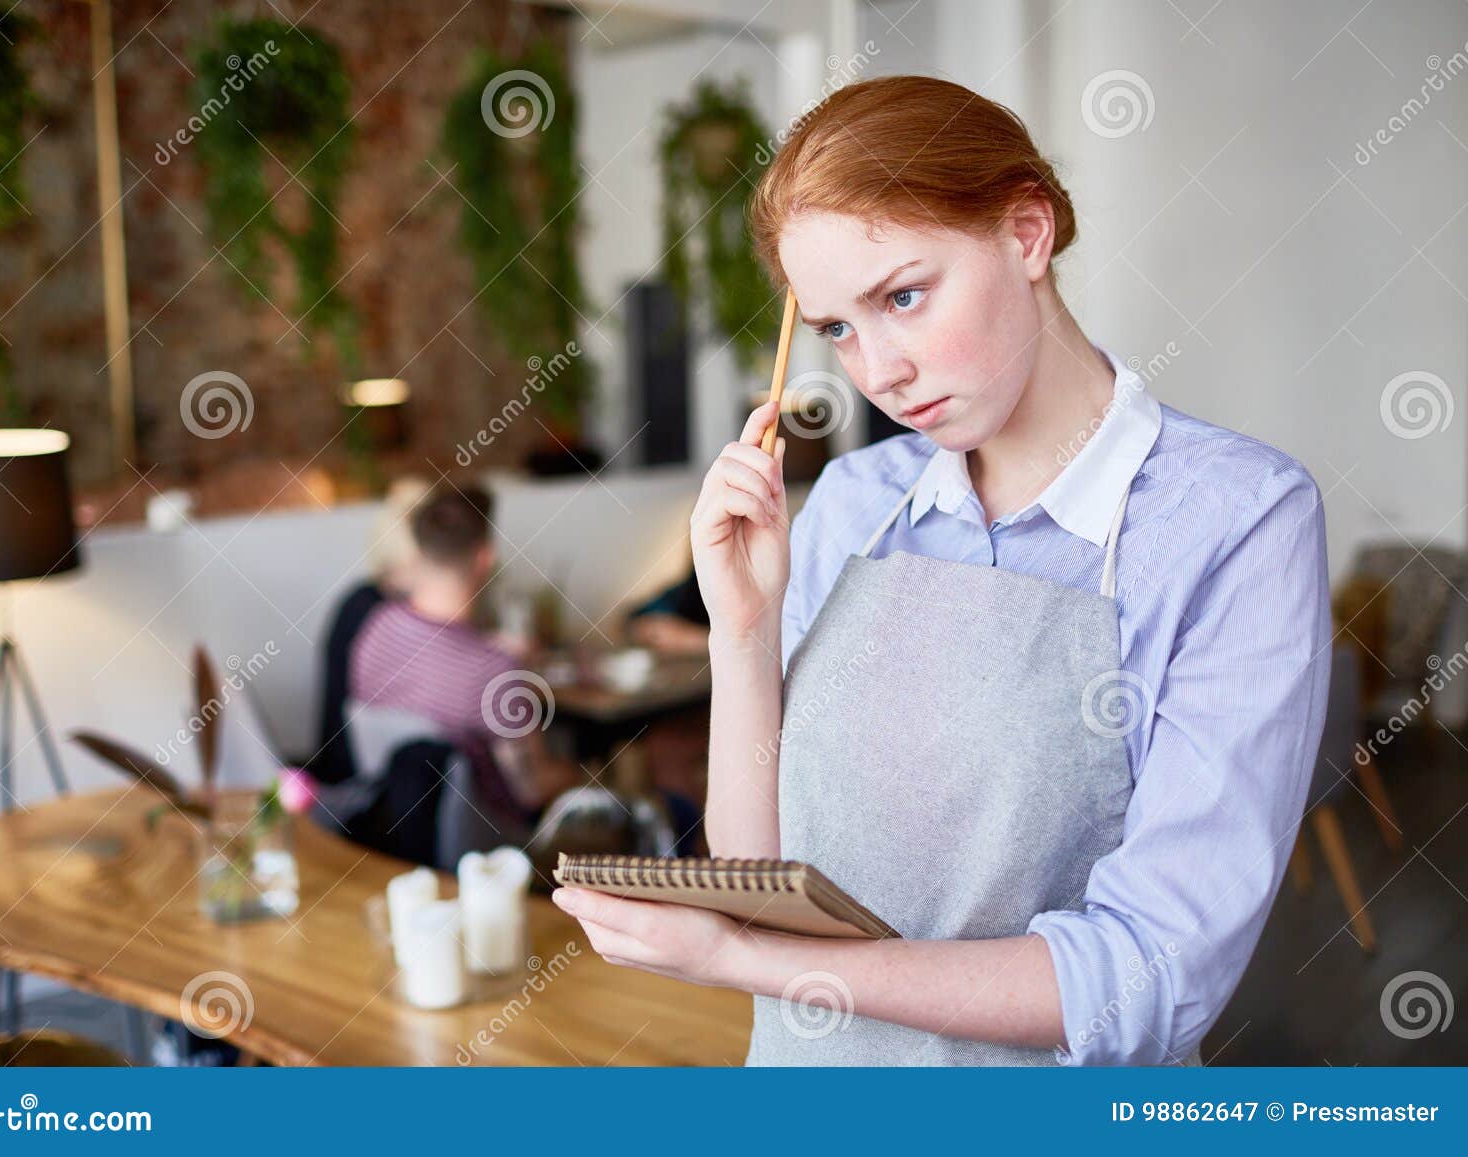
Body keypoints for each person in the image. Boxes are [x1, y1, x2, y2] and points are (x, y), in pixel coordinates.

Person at [553, 74, 1332, 1066]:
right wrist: (741, 632)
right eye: (835, 328)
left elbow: (1149, 975)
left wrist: (740, 960)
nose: (877, 373)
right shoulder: (849, 503)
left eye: (904, 296)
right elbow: (764, 876)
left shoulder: (1235, 518)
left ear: (1026, 233)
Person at [348, 483, 576, 814]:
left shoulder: (377, 625)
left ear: (419, 553)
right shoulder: (493, 669)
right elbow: (531, 789)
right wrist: (588, 774)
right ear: (485, 558)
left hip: (393, 821)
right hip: (491, 841)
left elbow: (434, 667)